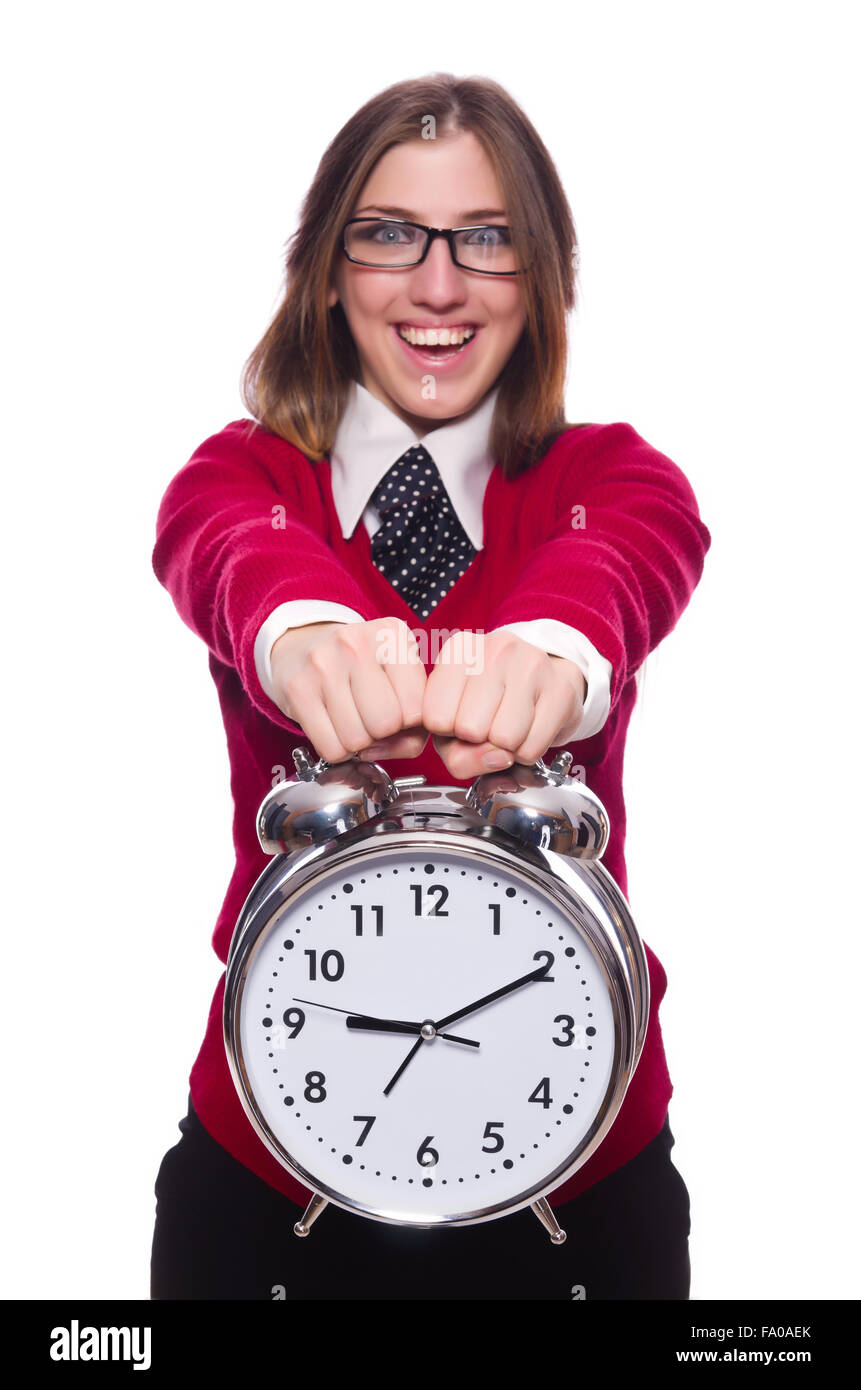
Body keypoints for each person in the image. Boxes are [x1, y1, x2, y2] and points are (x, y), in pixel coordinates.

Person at [149, 72, 711, 1301]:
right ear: (328, 267)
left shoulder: (607, 476)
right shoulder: (247, 479)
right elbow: (225, 547)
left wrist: (557, 649)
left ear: (547, 275)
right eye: (391, 233)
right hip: (271, 1180)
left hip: (581, 1190)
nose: (439, 285)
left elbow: (628, 555)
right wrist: (300, 637)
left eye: (488, 239)